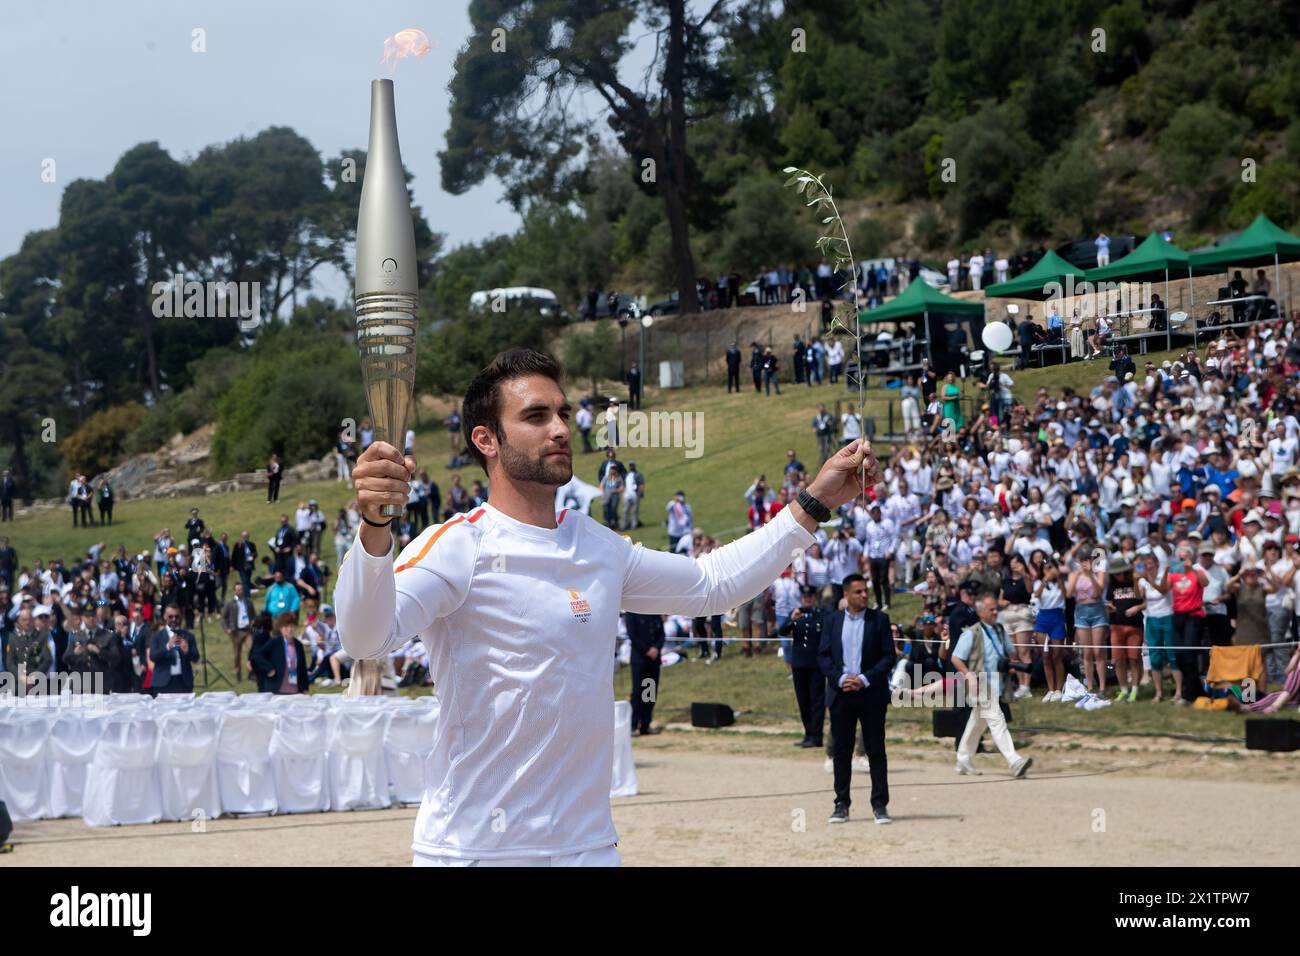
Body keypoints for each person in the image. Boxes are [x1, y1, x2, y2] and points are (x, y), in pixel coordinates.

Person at [334, 347, 881, 866]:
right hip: (474, 848)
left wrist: (816, 501)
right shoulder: (457, 545)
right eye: (536, 415)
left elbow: (713, 584)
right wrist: (375, 531)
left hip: (588, 847)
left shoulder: (596, 546)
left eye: (563, 413)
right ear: (487, 439)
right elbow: (365, 640)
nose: (560, 429)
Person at [818, 573, 895, 825]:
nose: (864, 595)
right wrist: (841, 679)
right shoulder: (832, 621)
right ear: (846, 595)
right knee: (841, 752)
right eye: (859, 591)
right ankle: (841, 804)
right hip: (841, 694)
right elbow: (824, 657)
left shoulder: (879, 620)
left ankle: (880, 804)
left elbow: (887, 657)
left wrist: (864, 678)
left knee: (875, 750)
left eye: (866, 591)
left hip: (871, 693)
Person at [951, 594, 1032, 777]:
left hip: (997, 685)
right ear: (980, 612)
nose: (996, 612)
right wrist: (969, 675)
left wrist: (1011, 666)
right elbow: (956, 658)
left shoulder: (1001, 630)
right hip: (979, 685)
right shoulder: (971, 633)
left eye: (996, 608)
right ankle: (1014, 760)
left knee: (977, 724)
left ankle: (963, 759)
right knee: (996, 720)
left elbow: (1010, 653)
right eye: (991, 609)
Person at [779, 584, 828, 747]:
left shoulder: (822, 614)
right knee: (803, 700)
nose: (807, 599)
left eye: (810, 597)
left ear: (814, 598)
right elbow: (781, 631)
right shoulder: (795, 614)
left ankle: (817, 735)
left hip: (816, 664)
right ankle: (808, 733)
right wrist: (791, 619)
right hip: (799, 663)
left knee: (817, 700)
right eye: (805, 597)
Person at [252, 611, 311, 695]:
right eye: (286, 627)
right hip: (276, 691)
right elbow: (257, 656)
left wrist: (305, 688)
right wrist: (269, 668)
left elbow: (303, 669)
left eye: (291, 626)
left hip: (295, 692)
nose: (289, 629)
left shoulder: (298, 645)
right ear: (280, 628)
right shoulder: (274, 643)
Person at [624, 611, 663, 735]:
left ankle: (645, 724)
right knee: (637, 692)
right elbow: (632, 635)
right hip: (639, 659)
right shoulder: (631, 613)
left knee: (650, 692)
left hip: (653, 660)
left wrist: (656, 648)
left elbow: (661, 634)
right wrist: (647, 650)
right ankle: (633, 725)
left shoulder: (655, 613)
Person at [148, 604, 199, 694]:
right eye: (170, 616)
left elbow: (196, 658)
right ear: (164, 616)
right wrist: (167, 646)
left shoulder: (188, 636)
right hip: (162, 682)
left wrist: (187, 651)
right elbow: (153, 656)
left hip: (183, 682)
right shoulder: (157, 636)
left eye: (177, 616)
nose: (174, 619)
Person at [221, 580, 255, 682]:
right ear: (234, 591)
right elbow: (223, 618)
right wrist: (227, 629)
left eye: (241, 589)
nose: (240, 591)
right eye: (238, 590)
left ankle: (252, 672)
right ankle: (238, 673)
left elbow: (253, 614)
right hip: (236, 632)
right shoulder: (230, 603)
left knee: (251, 650)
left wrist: (253, 622)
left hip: (247, 630)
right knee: (237, 654)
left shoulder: (248, 601)